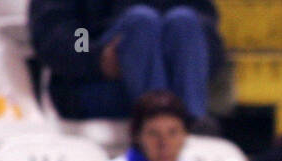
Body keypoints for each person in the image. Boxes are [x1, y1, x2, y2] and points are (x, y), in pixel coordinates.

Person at [29, 0, 226, 121]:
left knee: (185, 21)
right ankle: (159, 125)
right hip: (95, 85)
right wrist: (96, 56)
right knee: (141, 23)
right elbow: (59, 33)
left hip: (175, 89)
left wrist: (171, 51)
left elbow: (210, 41)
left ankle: (190, 121)